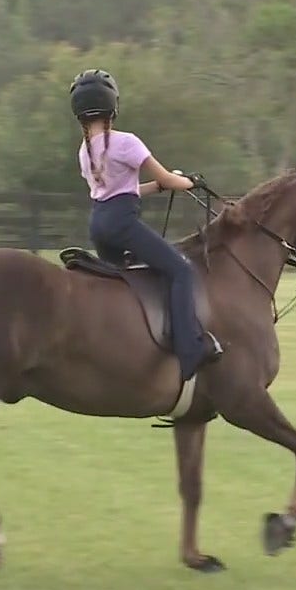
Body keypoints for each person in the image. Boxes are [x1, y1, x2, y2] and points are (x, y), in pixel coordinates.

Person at [69, 68, 223, 383]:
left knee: (128, 281)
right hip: (122, 223)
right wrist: (189, 182)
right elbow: (169, 178)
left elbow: (120, 191)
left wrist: (160, 186)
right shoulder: (126, 142)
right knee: (180, 270)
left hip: (99, 225)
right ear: (112, 105)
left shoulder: (85, 151)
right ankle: (189, 350)